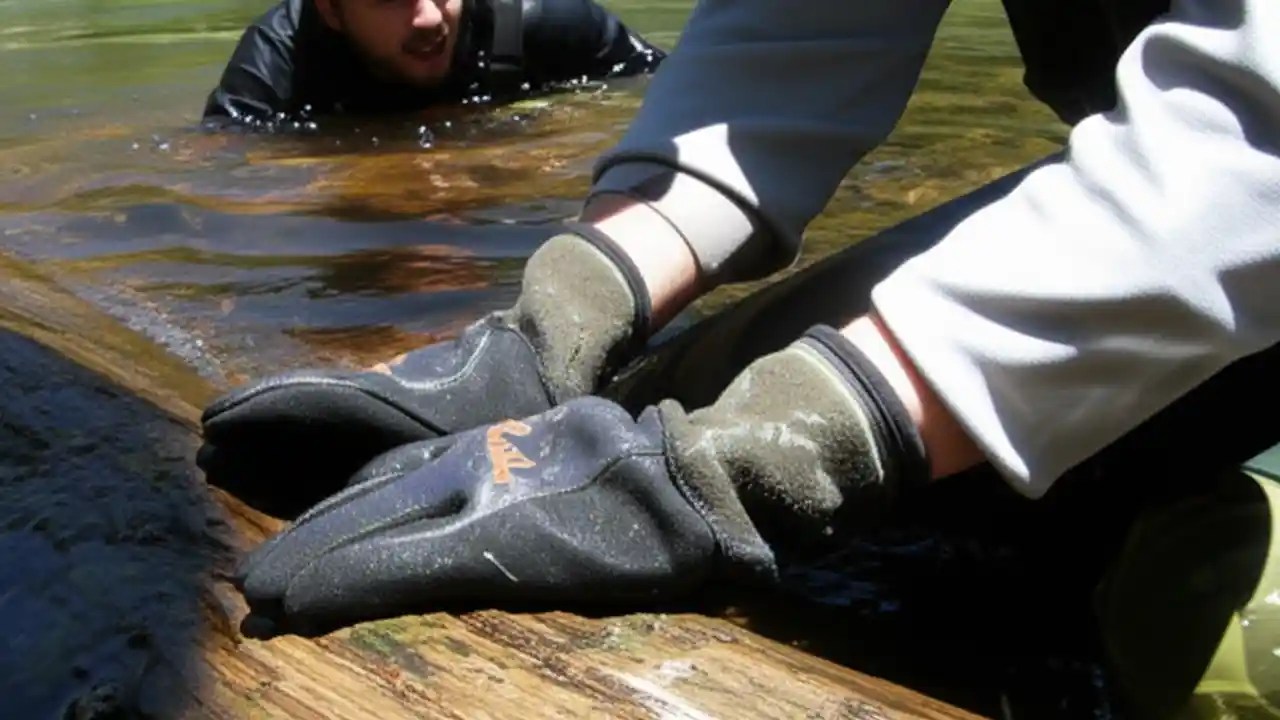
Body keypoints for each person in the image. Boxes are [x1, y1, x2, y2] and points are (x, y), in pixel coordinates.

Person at [197, 0, 1279, 716]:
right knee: (666, 407)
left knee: (1212, 641)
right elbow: (802, 22)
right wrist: (563, 319)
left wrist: (773, 457)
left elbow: (1253, 136)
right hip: (1167, 189)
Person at [201, 0, 666, 125]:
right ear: (330, 10)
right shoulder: (280, 57)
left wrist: (559, 129)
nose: (426, 17)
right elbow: (224, 177)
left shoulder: (546, 23)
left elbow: (676, 92)